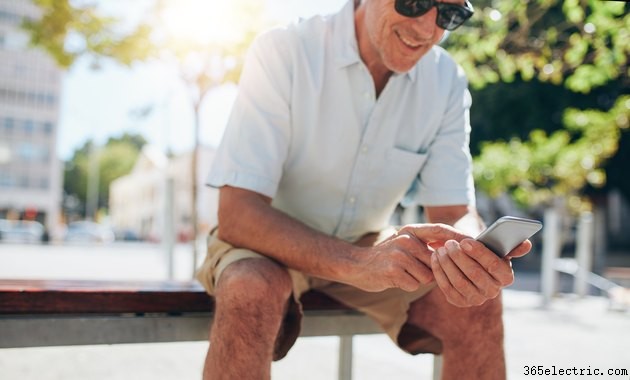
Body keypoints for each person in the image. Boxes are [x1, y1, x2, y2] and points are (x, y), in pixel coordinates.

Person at [196, 0, 532, 379]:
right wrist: (355, 264)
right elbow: (238, 215)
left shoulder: (446, 80)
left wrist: (471, 253)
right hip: (265, 246)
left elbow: (454, 213)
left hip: (366, 245)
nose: (426, 28)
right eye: (415, 2)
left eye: (449, 14)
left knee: (478, 300)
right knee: (249, 288)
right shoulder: (284, 49)